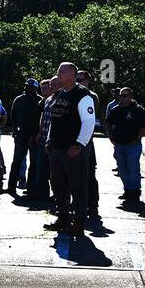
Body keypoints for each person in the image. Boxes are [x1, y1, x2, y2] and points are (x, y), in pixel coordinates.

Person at [44, 63, 97, 237]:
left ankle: (79, 222)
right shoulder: (59, 94)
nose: (59, 73)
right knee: (58, 186)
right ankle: (63, 219)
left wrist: (79, 144)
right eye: (59, 71)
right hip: (57, 149)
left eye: (63, 71)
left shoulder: (83, 94)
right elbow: (54, 120)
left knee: (78, 186)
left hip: (73, 150)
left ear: (73, 74)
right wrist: (49, 140)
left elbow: (89, 122)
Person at [105, 87, 145, 202]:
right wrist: (111, 137)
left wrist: (137, 138)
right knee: (122, 169)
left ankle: (135, 192)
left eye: (125, 96)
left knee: (133, 169)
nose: (122, 98)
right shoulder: (116, 109)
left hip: (133, 145)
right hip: (119, 145)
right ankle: (127, 190)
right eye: (121, 95)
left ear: (131, 96)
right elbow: (107, 123)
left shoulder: (138, 110)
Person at [6, 78, 42, 197]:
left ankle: (31, 188)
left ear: (36, 89)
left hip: (35, 136)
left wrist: (35, 135)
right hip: (21, 135)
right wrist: (15, 128)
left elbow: (40, 121)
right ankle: (11, 187)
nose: (28, 89)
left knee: (34, 163)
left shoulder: (40, 101)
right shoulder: (19, 99)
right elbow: (13, 115)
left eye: (31, 87)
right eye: (27, 86)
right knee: (17, 161)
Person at [75, 69, 101, 219]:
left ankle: (93, 205)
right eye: (76, 79)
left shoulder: (91, 96)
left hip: (85, 142)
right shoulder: (70, 93)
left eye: (80, 80)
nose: (77, 83)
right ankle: (77, 205)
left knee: (89, 175)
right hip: (72, 141)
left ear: (87, 81)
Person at [27, 77, 55, 202]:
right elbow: (42, 117)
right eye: (42, 87)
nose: (44, 89)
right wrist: (38, 133)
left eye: (47, 86)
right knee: (40, 166)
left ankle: (56, 195)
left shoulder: (60, 99)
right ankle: (40, 193)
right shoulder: (46, 101)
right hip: (42, 137)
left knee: (54, 169)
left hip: (54, 140)